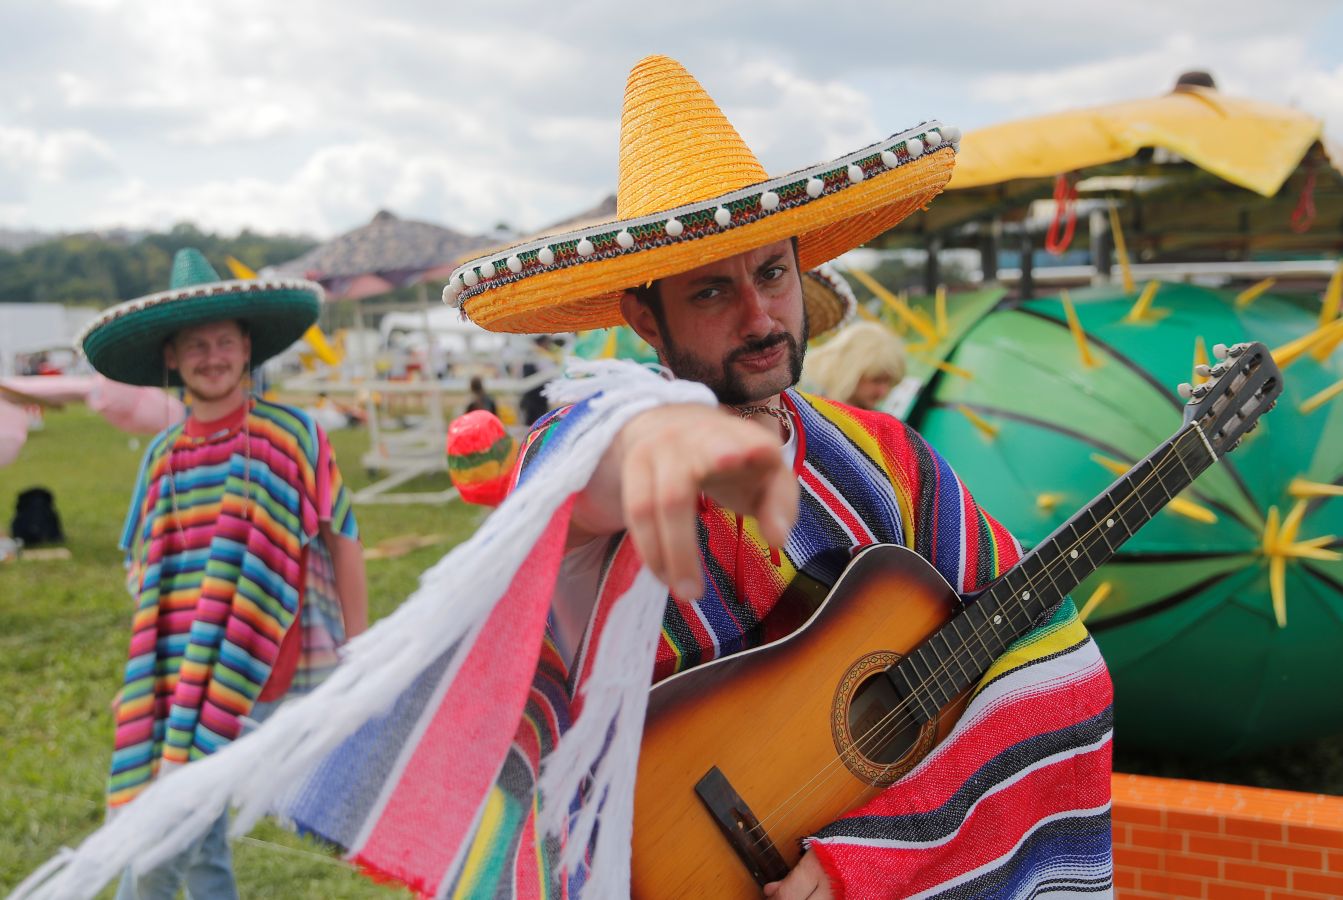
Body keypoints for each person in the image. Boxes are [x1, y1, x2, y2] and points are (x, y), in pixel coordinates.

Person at [438, 56, 1114, 898]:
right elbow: (571, 485)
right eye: (712, 292)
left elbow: (1044, 640)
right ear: (643, 318)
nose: (759, 316)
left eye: (771, 273)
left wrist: (873, 856)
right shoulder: (597, 445)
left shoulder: (885, 459)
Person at [78, 248, 368, 900]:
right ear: (172, 359)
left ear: (247, 349)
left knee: (160, 839)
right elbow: (147, 570)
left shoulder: (291, 435)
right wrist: (145, 681)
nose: (212, 356)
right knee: (197, 833)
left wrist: (359, 651)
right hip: (181, 677)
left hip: (269, 670)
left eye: (225, 342)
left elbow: (341, 536)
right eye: (195, 346)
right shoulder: (162, 458)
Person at [801, 318, 907, 410]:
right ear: (848, 371)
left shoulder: (883, 427)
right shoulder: (808, 416)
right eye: (876, 380)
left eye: (889, 382)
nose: (883, 392)